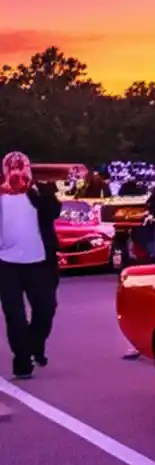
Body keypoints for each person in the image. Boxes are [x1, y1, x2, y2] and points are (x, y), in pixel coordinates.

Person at [0, 152, 61, 379]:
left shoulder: (40, 191)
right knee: (14, 315)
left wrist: (34, 189)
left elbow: (53, 211)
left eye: (21, 167)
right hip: (6, 264)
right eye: (11, 168)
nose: (16, 172)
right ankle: (22, 360)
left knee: (46, 309)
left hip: (40, 263)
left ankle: (35, 345)